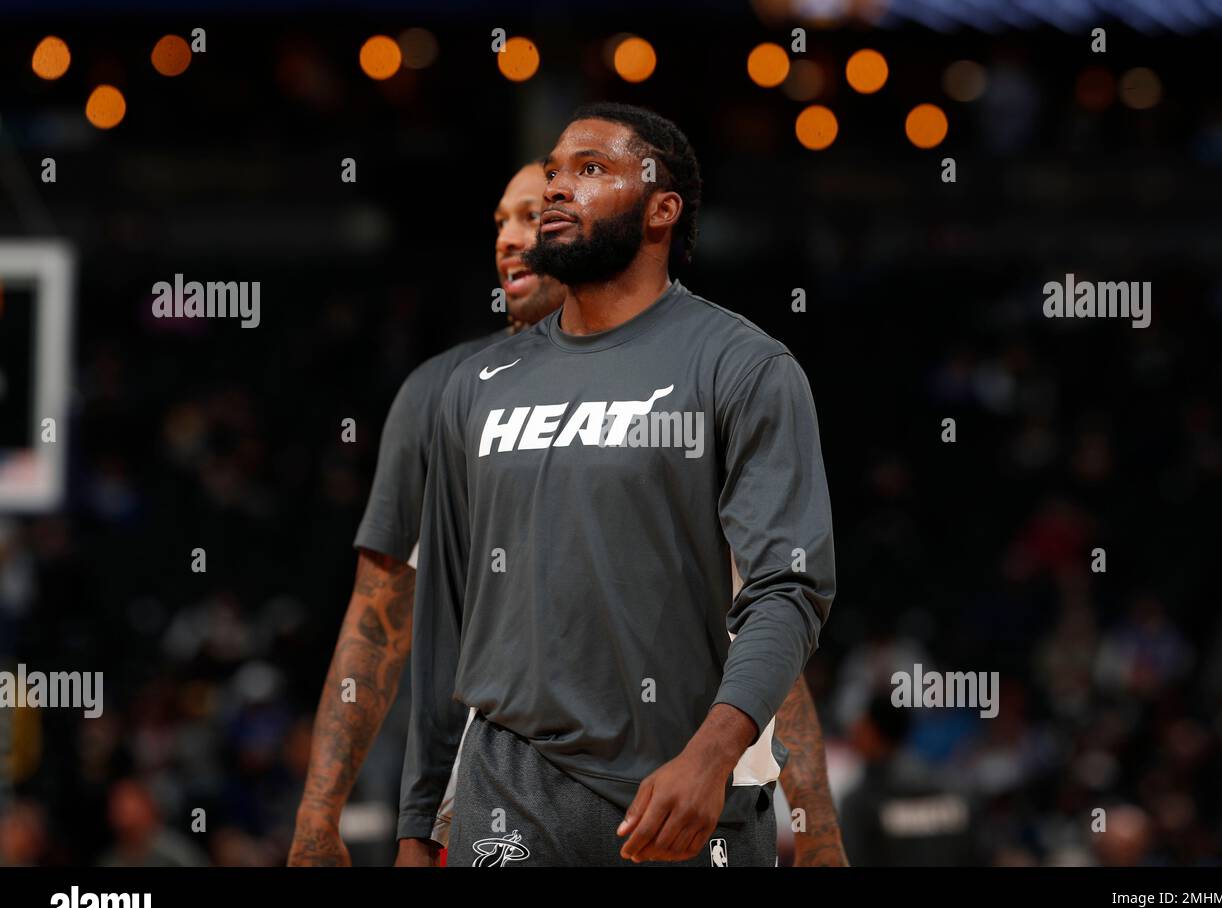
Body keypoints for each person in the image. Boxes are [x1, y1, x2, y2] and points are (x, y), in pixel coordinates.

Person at [397, 103, 836, 866]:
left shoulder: (744, 366)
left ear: (663, 207)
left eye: (592, 169)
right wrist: (414, 828)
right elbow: (444, 616)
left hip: (682, 786)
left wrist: (713, 755)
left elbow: (789, 589)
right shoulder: (477, 386)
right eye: (557, 171)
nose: (560, 187)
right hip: (508, 787)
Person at [288, 161, 565, 865]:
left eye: (530, 216)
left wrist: (811, 824)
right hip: (475, 792)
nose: (507, 238)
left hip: (649, 785)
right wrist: (319, 812)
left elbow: (746, 604)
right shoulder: (440, 391)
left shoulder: (678, 377)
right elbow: (377, 618)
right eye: (500, 220)